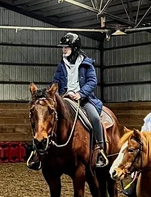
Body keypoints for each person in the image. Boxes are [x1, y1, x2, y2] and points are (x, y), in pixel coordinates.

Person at [27, 32, 108, 170]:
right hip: (64, 99)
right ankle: (37, 152)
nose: (63, 50)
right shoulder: (61, 65)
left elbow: (92, 81)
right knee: (46, 118)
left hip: (83, 99)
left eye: (66, 47)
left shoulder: (87, 64)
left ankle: (99, 149)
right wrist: (53, 95)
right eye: (63, 47)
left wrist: (80, 94)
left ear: (74, 48)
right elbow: (55, 82)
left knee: (94, 117)